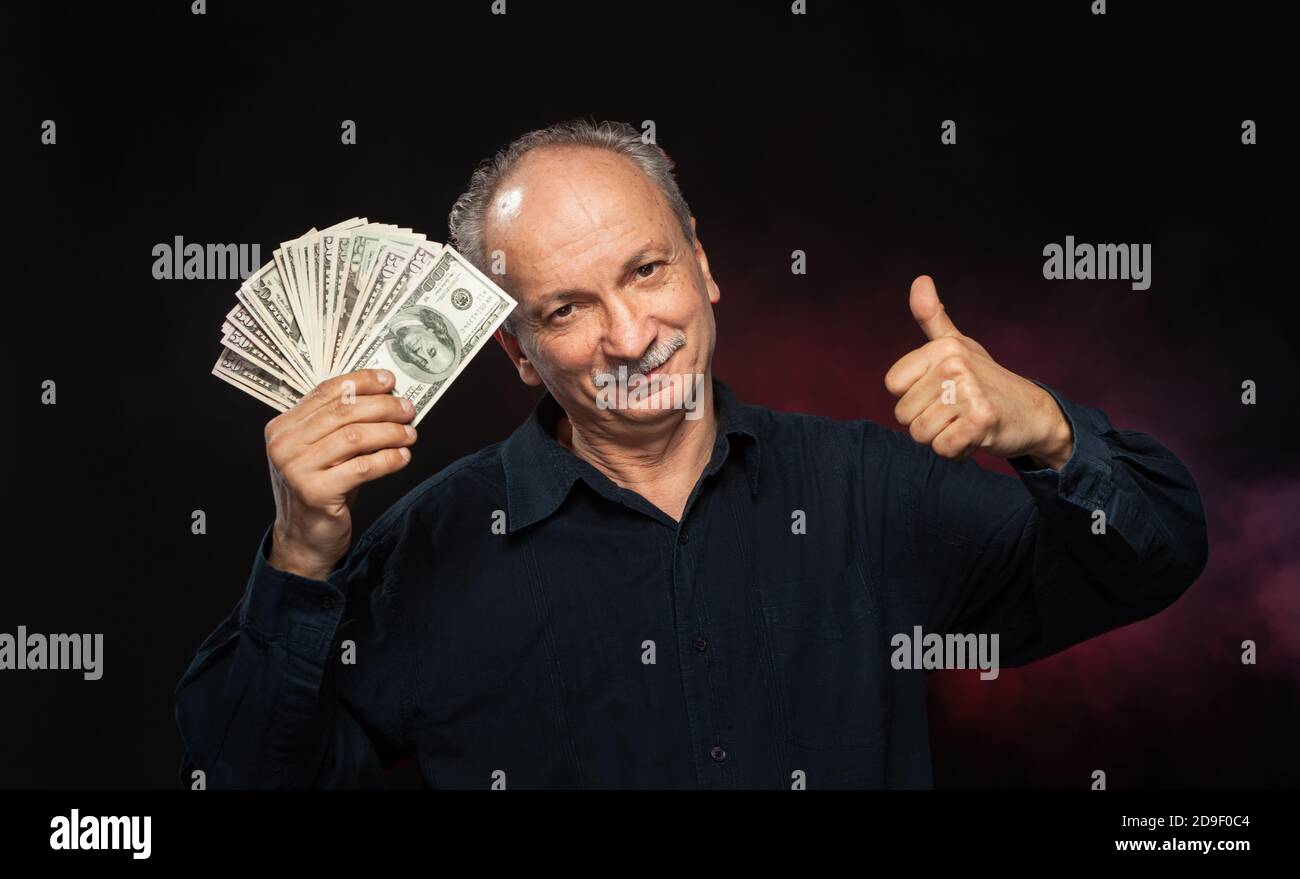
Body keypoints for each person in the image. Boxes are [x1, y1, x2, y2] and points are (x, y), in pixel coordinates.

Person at [174, 119, 1208, 789]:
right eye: (566, 310)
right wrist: (300, 555)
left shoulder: (866, 488)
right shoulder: (430, 548)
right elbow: (247, 776)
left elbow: (1154, 558)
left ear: (702, 266)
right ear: (517, 351)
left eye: (647, 270)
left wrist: (1052, 433)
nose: (630, 337)